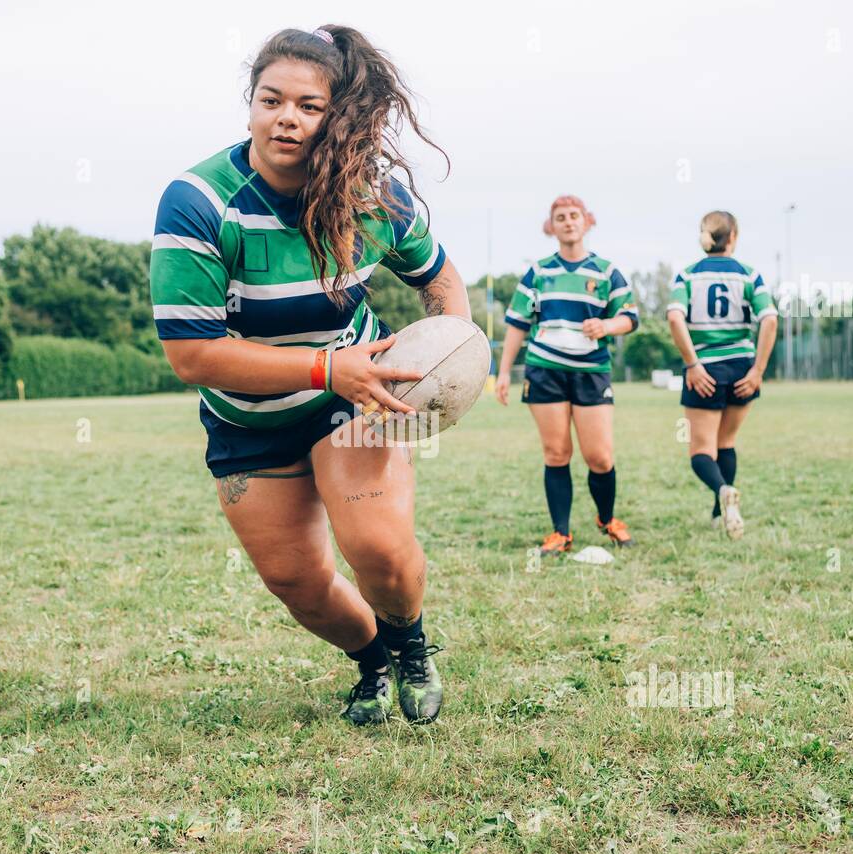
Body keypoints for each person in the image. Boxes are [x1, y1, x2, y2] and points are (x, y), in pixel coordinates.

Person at [150, 25, 471, 725]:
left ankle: (410, 645)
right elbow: (191, 355)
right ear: (251, 107)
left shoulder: (371, 200)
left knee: (378, 548)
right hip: (249, 415)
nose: (286, 117)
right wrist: (329, 368)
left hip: (353, 396)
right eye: (271, 100)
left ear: (338, 118)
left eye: (307, 105)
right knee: (296, 581)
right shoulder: (200, 201)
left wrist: (455, 353)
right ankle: (370, 662)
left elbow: (439, 276)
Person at [494, 195, 639, 555]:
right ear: (551, 227)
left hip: (592, 373)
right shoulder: (539, 272)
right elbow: (516, 324)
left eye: (574, 216)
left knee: (600, 457)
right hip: (545, 371)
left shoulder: (606, 271)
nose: (568, 221)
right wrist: (502, 373)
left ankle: (607, 520)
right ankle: (561, 533)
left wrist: (607, 325)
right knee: (557, 453)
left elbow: (631, 318)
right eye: (560, 217)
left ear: (587, 222)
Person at [666, 210, 778, 539]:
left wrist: (692, 364)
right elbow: (769, 320)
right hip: (742, 367)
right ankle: (721, 513)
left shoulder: (687, 276)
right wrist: (758, 370)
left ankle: (722, 493)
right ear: (733, 237)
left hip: (705, 370)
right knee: (726, 442)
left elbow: (674, 318)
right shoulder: (749, 275)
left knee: (701, 451)